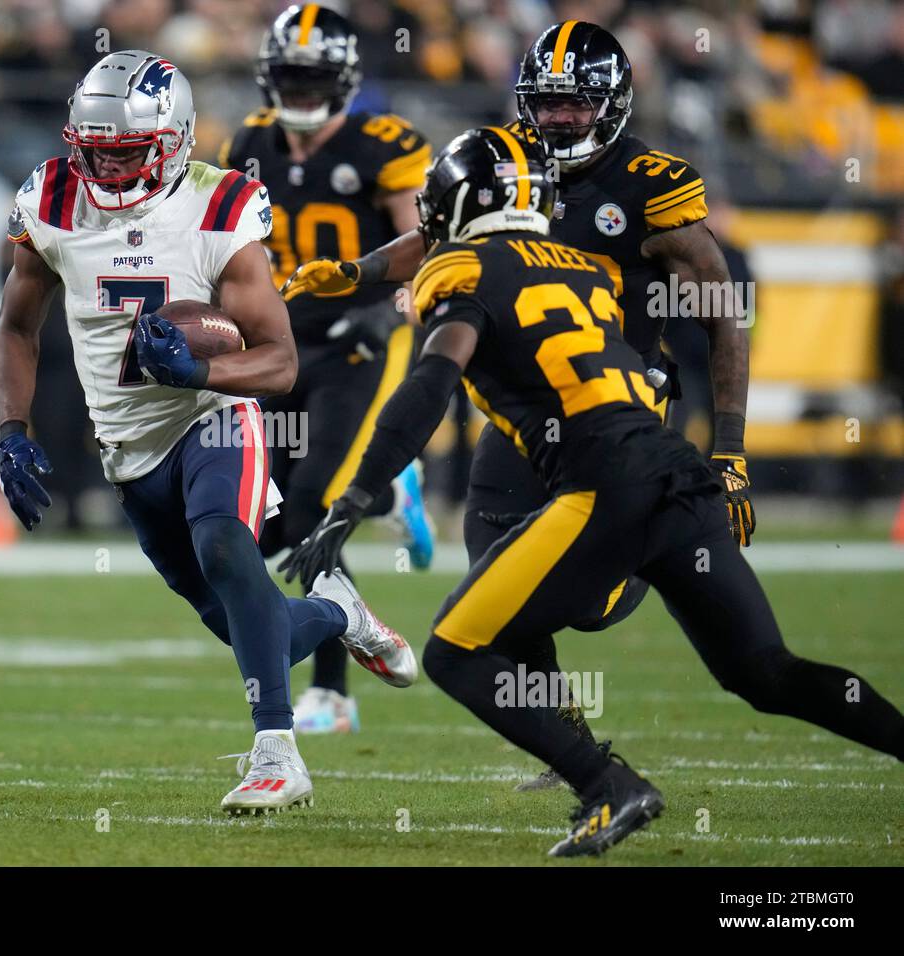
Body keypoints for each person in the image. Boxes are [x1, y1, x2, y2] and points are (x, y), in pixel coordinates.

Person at [281, 128, 904, 857]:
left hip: (601, 483)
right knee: (767, 672)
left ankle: (606, 782)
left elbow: (430, 384)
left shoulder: (460, 271)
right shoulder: (586, 271)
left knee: (455, 650)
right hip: (675, 471)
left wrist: (356, 497)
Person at [280, 21, 755, 788]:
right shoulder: (506, 160)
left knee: (592, 602)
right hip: (520, 409)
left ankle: (641, 561)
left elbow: (722, 313)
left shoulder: (651, 184)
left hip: (618, 409)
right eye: (549, 102)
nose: (561, 118)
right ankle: (566, 743)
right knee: (496, 570)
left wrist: (728, 447)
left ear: (615, 102)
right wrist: (355, 271)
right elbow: (436, 236)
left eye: (577, 104)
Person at [0, 51, 415, 815]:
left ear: (176, 141)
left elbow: (280, 363)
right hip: (128, 448)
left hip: (212, 416)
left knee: (227, 544)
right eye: (92, 152)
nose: (105, 172)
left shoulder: (219, 207)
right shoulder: (52, 198)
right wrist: (11, 430)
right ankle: (340, 612)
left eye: (124, 155)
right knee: (259, 633)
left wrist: (198, 375)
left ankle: (277, 754)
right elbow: (18, 327)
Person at [219, 4, 435, 736]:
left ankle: (334, 689)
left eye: (314, 79)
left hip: (356, 342)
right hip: (277, 350)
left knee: (308, 505)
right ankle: (384, 497)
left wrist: (394, 302)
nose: (301, 92)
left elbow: (422, 241)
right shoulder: (249, 140)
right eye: (289, 77)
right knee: (265, 522)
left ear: (342, 81)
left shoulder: (384, 145)